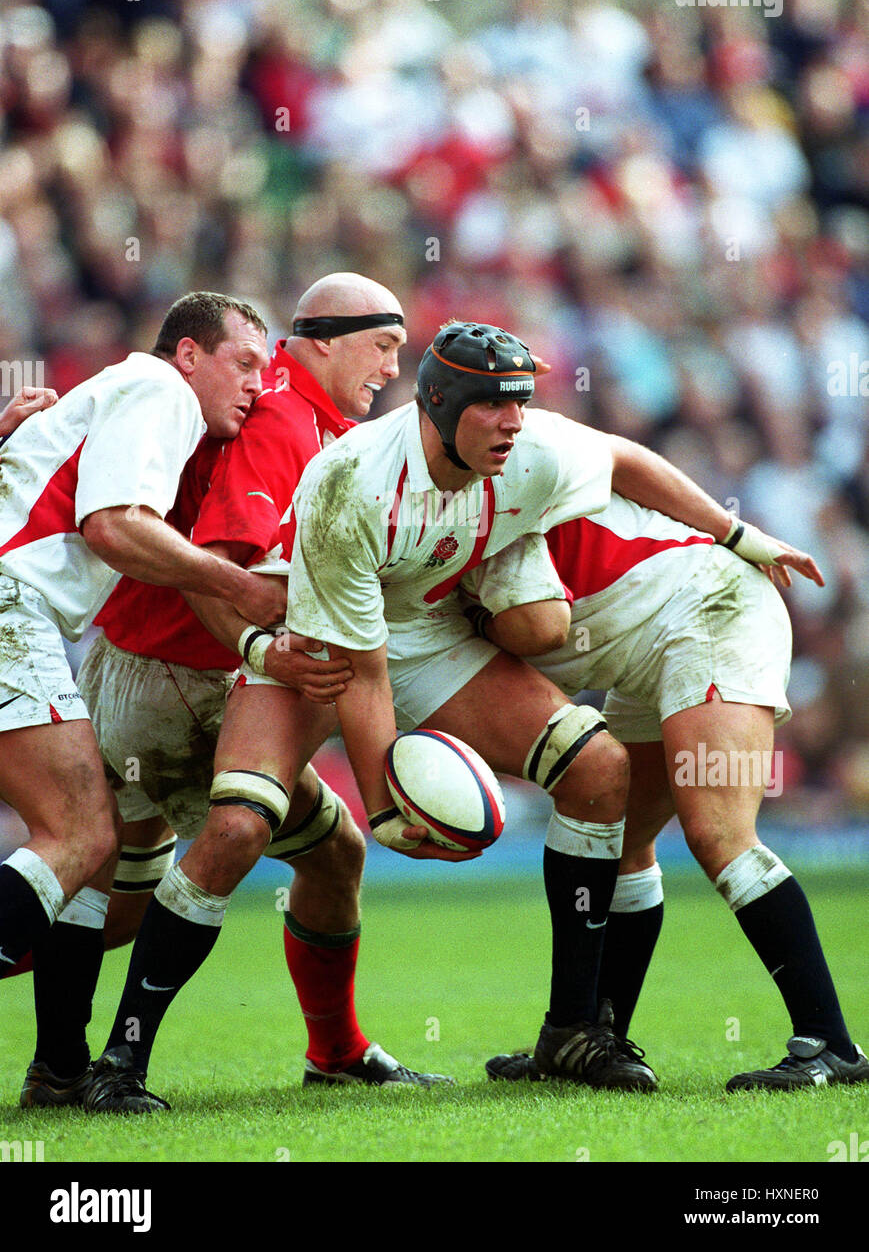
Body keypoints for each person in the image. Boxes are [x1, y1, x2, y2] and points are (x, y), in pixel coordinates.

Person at [85, 321, 821, 1109]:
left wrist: (738, 533)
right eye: (490, 407)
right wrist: (383, 801)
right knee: (236, 829)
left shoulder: (527, 445)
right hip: (320, 636)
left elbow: (622, 459)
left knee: (599, 771)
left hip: (427, 629)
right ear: (435, 405)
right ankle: (119, 1063)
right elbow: (360, 666)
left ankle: (573, 1030)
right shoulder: (347, 477)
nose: (512, 422)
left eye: (518, 404)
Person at [41, 274, 446, 1112]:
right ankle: (118, 1066)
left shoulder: (304, 417)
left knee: (106, 884)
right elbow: (220, 560)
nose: (391, 368)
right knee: (243, 839)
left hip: (146, 662)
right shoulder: (283, 420)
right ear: (324, 340)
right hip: (177, 676)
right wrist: (261, 644)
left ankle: (62, 1069)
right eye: (382, 347)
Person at [464, 499, 869, 1092]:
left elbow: (543, 627)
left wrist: (732, 530)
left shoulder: (494, 493)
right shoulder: (464, 499)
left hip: (708, 611)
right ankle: (593, 1043)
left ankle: (831, 1044)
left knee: (719, 835)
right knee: (624, 840)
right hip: (652, 638)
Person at [0, 291, 287, 1107]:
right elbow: (113, 525)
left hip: (23, 609)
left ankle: (57, 1069)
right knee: (83, 833)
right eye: (242, 364)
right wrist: (234, 582)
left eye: (266, 372)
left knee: (83, 845)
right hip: (8, 604)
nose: (256, 386)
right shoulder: (157, 390)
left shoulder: (106, 398)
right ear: (188, 356)